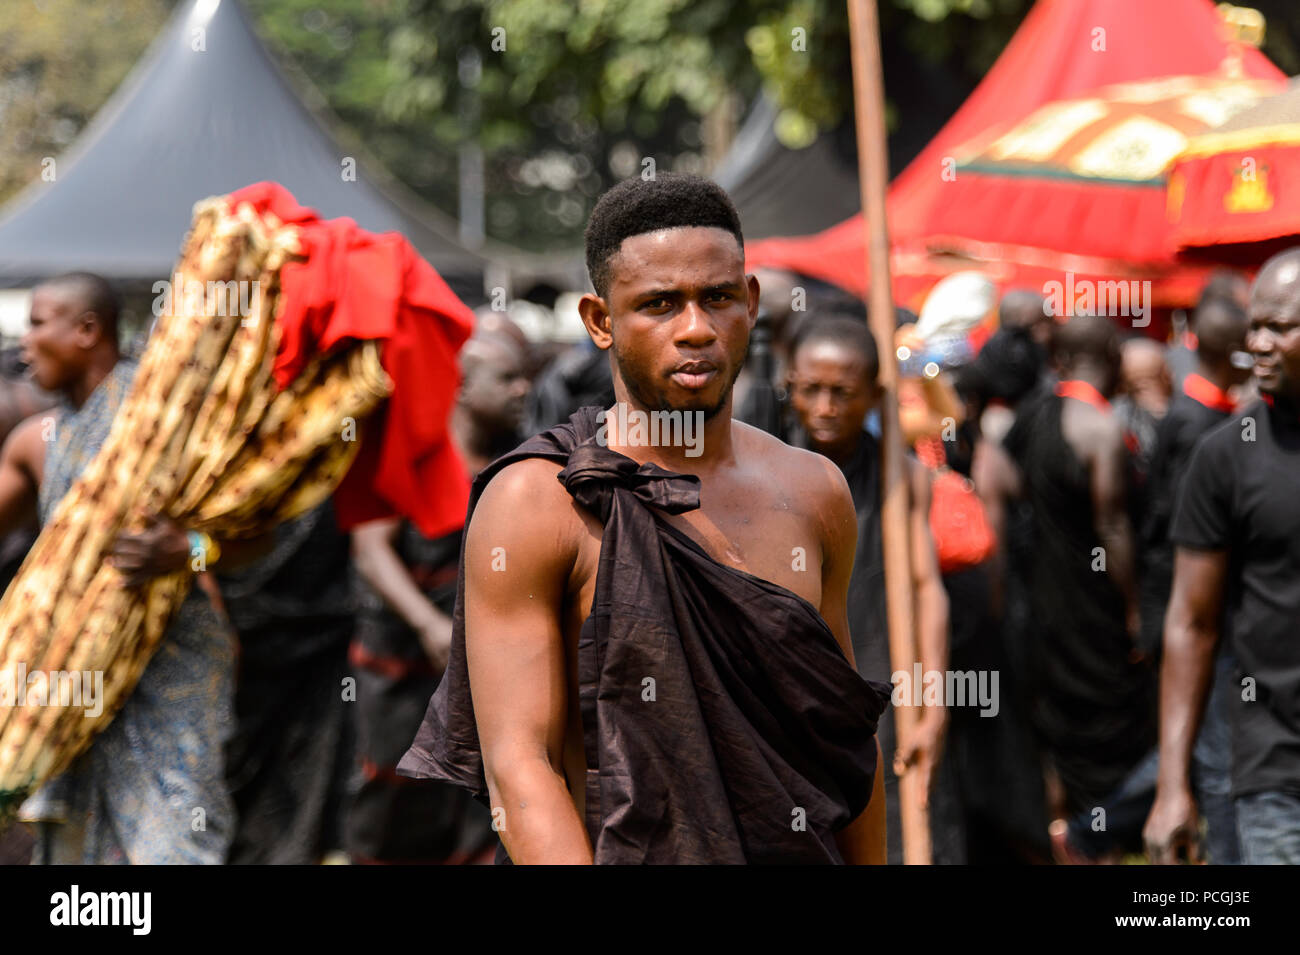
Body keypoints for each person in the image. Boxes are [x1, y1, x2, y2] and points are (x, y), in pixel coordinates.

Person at [399, 173, 891, 864]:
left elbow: (842, 733)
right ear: (600, 321)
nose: (695, 329)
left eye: (717, 298)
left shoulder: (813, 491)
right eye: (660, 304)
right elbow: (522, 765)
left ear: (749, 303)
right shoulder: (542, 502)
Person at [0, 272, 250, 864]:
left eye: (37, 324)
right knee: (73, 850)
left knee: (174, 844)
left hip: (170, 667)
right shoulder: (38, 440)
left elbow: (254, 532)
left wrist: (190, 548)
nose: (23, 343)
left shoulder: (173, 426)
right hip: (69, 673)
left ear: (87, 330)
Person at [346, 320, 530, 864]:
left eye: (525, 378)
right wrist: (428, 625)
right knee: (393, 791)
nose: (523, 389)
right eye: (507, 378)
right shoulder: (415, 456)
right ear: (465, 386)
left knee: (478, 797)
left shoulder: (518, 466)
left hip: (482, 670)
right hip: (401, 664)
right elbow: (372, 550)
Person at [784, 314, 961, 863]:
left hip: (882, 681)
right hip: (796, 692)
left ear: (874, 395)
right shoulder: (771, 472)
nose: (825, 407)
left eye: (843, 392)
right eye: (810, 390)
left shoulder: (898, 475)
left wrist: (933, 702)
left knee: (896, 831)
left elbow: (927, 587)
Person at [1145, 248, 1300, 865]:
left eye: (1279, 327)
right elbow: (1191, 621)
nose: (1257, 342)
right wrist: (1171, 786)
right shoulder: (1225, 456)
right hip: (1275, 769)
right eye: (1253, 325)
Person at [993, 314, 1156, 830]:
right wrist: (1133, 606)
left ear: (1059, 360)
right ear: (1113, 358)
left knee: (1061, 717)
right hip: (1094, 605)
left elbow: (1004, 482)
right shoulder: (1101, 428)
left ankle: (1065, 825)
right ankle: (1094, 835)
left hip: (1043, 595)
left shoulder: (1033, 414)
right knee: (1110, 718)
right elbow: (1112, 527)